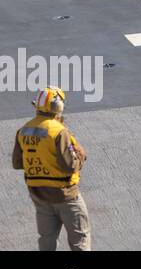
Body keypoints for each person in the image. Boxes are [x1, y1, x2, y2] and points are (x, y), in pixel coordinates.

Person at [11, 86, 91, 251]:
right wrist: (81, 156)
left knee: (46, 239)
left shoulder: (23, 130)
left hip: (39, 195)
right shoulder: (59, 132)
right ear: (58, 108)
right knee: (80, 239)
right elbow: (70, 166)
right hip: (66, 195)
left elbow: (17, 163)